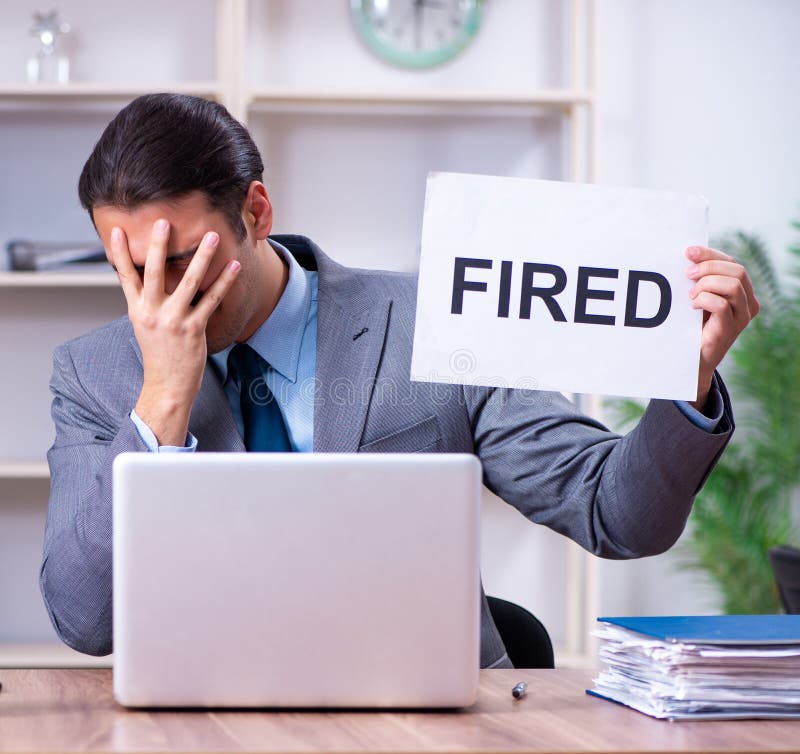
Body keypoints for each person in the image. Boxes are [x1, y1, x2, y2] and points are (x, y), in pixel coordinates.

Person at [40, 93, 757, 667]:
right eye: (130, 269)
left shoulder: (436, 321)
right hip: (206, 723)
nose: (161, 297)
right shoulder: (94, 374)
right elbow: (85, 621)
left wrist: (685, 376)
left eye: (183, 261)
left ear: (255, 213)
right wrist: (163, 399)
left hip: (431, 720)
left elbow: (617, 516)